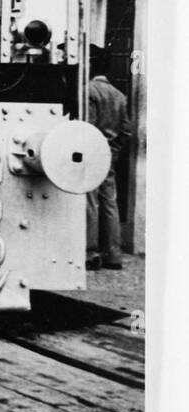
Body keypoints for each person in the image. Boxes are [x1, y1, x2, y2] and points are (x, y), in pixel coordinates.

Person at [86, 45, 131, 271]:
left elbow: (89, 126)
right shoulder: (120, 96)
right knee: (109, 201)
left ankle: (91, 252)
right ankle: (114, 254)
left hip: (92, 150)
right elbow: (126, 129)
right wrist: (114, 148)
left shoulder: (89, 91)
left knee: (91, 200)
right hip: (110, 152)